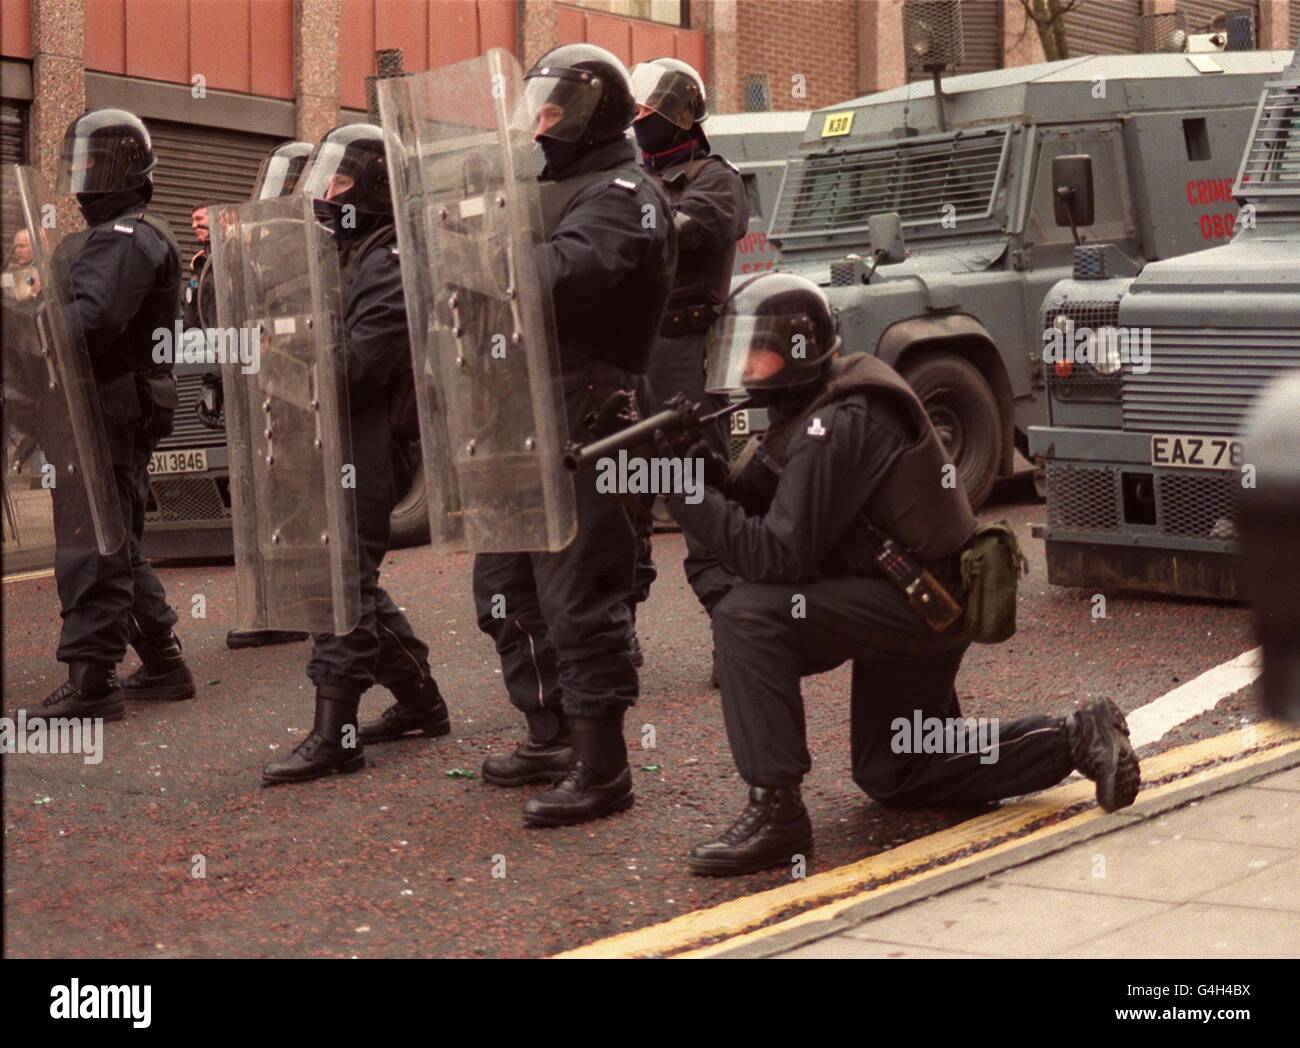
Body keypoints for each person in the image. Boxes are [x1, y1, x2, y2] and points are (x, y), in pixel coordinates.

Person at [658, 273, 1142, 875]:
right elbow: (753, 503)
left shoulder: (840, 421)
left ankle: (776, 811)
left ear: (798, 351)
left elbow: (775, 556)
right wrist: (697, 467)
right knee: (899, 769)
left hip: (924, 600)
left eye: (758, 350)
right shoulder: (810, 405)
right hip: (911, 593)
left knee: (747, 614)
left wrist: (678, 490)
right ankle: (1078, 735)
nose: (745, 366)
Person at [472, 43, 676, 827]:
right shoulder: (549, 191)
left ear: (590, 115)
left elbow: (561, 276)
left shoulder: (623, 193)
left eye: (551, 111)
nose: (536, 126)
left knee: (579, 595)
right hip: (522, 412)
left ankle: (603, 767)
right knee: (505, 587)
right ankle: (551, 734)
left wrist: (478, 253)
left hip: (589, 412)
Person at [261, 124, 449, 785]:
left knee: (338, 582)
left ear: (369, 189)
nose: (325, 192)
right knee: (348, 578)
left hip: (371, 439)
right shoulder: (338, 253)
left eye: (338, 180)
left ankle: (335, 734)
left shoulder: (389, 260)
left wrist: (286, 359)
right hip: (329, 432)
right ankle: (422, 701)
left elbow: (362, 365)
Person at [18, 108, 195, 722]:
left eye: (91, 162)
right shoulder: (106, 238)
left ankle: (92, 683)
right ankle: (164, 662)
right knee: (114, 538)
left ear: (123, 168)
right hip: (92, 409)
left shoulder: (130, 238)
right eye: (76, 162)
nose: (81, 174)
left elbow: (87, 322)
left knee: (91, 542)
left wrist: (23, 330)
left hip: (106, 411)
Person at [626, 56, 749, 669]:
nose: (636, 122)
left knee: (696, 489)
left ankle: (737, 637)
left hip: (685, 354)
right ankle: (612, 638)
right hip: (629, 354)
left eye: (645, 111)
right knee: (620, 492)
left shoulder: (716, 178)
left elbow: (673, 235)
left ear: (678, 114)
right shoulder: (627, 178)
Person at [219, 140, 316, 653]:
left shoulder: (315, 240)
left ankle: (301, 602)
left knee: (297, 494)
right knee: (268, 494)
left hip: (300, 390)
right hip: (263, 388)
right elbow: (218, 309)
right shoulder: (257, 242)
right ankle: (276, 603)